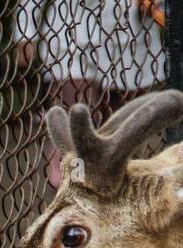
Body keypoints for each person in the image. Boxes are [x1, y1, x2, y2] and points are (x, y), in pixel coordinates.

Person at [14, 0, 165, 189]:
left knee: (121, 126)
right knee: (76, 119)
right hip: (71, 25)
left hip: (130, 28)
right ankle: (74, 186)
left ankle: (111, 187)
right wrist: (26, 31)